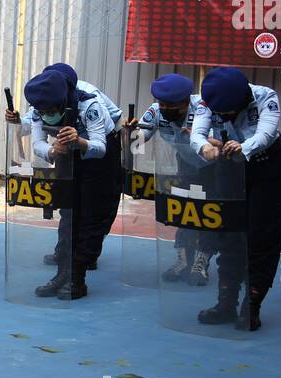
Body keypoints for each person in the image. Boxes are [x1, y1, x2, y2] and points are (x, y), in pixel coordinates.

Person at [189, 67, 281, 331]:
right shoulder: (208, 101)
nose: (224, 117)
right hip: (230, 168)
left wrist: (243, 147)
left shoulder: (264, 96)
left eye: (228, 112)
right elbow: (197, 133)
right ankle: (226, 303)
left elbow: (266, 134)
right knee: (229, 236)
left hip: (269, 169)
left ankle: (252, 306)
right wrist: (204, 147)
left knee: (262, 238)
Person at [23, 70, 110, 300]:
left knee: (88, 215)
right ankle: (62, 274)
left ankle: (77, 277)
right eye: (43, 112)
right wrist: (52, 151)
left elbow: (100, 146)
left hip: (96, 154)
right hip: (65, 150)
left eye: (51, 112)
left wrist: (79, 141)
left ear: (63, 102)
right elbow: (38, 143)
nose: (47, 116)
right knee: (68, 212)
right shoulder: (38, 109)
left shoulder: (89, 105)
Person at [127, 73, 213, 285]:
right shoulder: (156, 111)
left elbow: (217, 139)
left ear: (186, 101)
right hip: (186, 164)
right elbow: (140, 139)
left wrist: (202, 137)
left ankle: (201, 262)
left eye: (172, 106)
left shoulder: (203, 109)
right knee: (184, 211)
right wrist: (132, 133)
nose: (165, 109)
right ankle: (183, 260)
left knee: (207, 214)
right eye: (162, 104)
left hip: (213, 167)